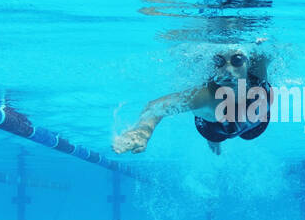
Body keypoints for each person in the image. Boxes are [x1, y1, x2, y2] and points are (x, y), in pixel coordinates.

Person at [113, 46, 273, 155]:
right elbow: (157, 107)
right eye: (219, 61)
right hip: (214, 128)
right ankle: (214, 140)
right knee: (215, 136)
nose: (228, 70)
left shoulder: (259, 69)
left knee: (250, 135)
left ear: (248, 62)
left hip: (256, 123)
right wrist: (143, 132)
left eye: (237, 60)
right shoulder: (208, 97)